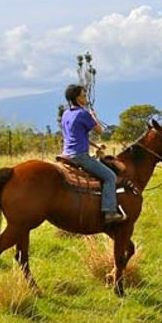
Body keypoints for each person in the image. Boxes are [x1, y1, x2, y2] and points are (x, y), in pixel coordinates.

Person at [60, 84, 125, 224]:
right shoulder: (83, 114)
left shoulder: (66, 113)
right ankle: (110, 212)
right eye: (84, 95)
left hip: (66, 154)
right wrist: (94, 116)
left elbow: (77, 135)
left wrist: (95, 146)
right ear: (77, 98)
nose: (86, 98)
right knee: (110, 177)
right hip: (80, 156)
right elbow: (100, 130)